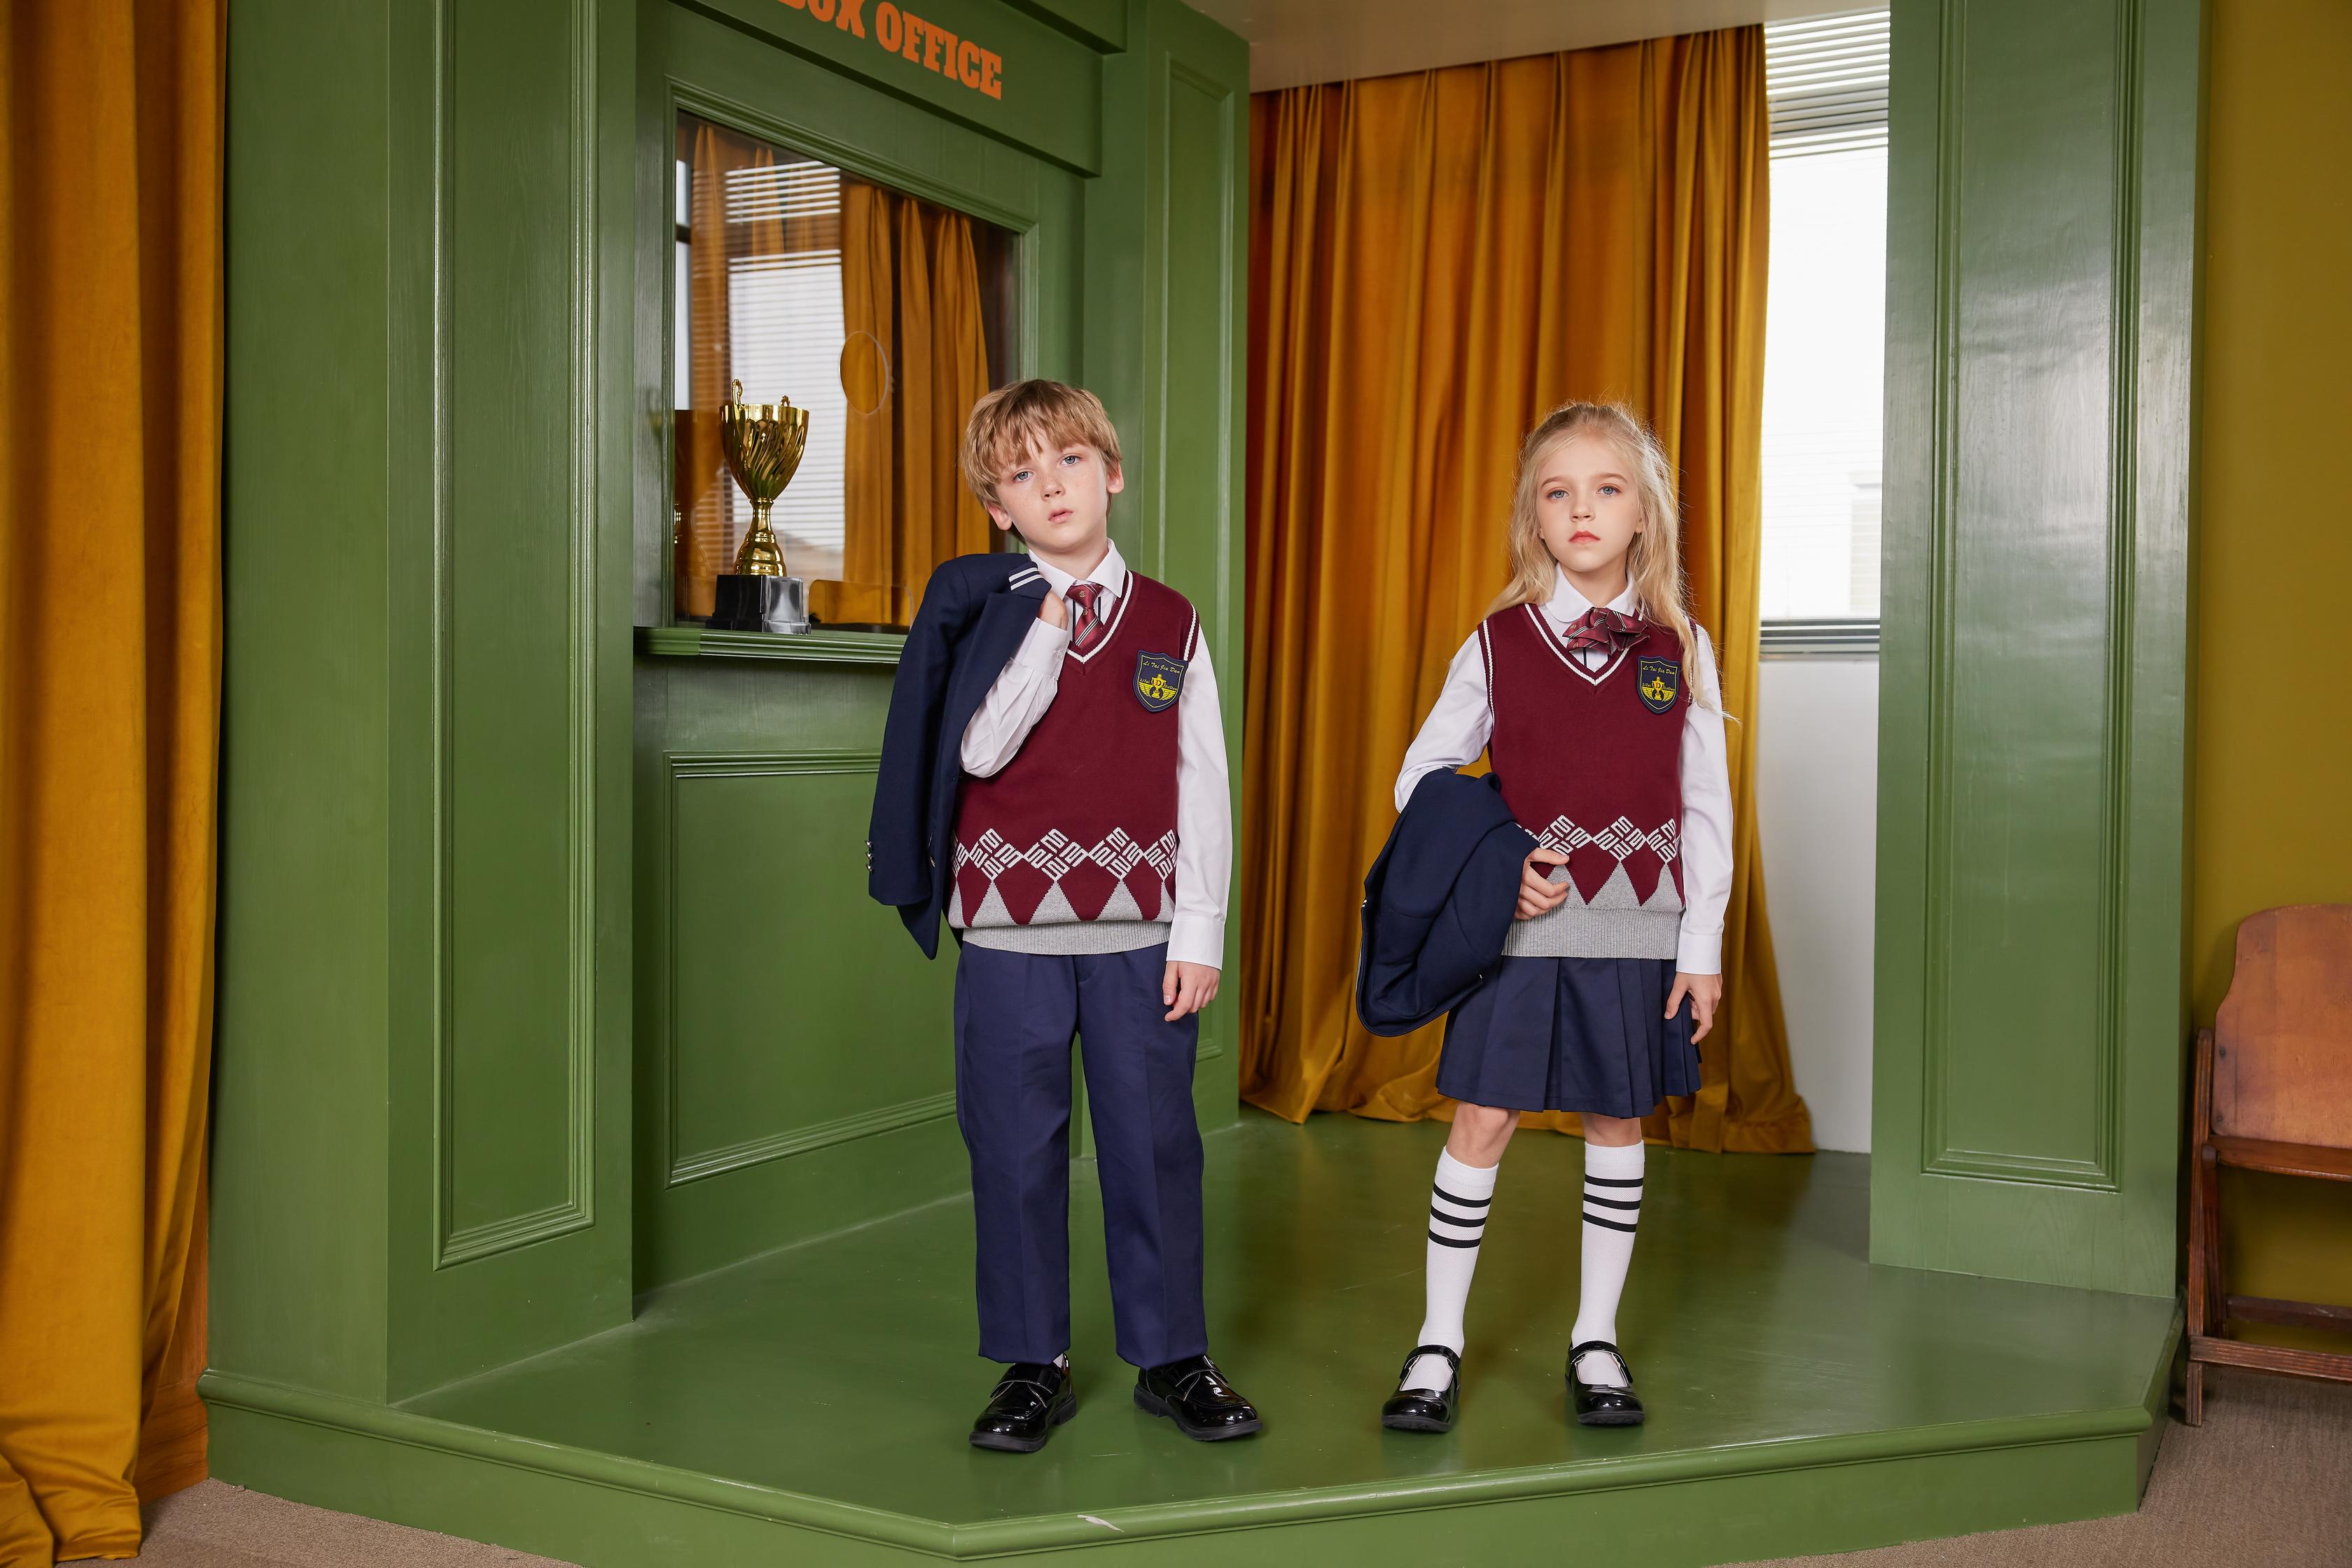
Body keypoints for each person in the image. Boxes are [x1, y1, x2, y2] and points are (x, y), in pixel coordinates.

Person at [868, 379, 1260, 1454]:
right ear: (997, 507)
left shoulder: (1172, 621)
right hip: (1008, 935)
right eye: (1021, 473)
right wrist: (1043, 633)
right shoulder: (985, 612)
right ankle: (1031, 1362)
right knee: (1014, 1148)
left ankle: (1172, 1356)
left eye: (1070, 460)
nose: (1051, 485)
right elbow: (978, 750)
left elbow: (1203, 784)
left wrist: (1199, 931)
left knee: (1154, 1145)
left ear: (1112, 474)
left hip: (1141, 934)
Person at [1377, 401, 1734, 1433]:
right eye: (1558, 491)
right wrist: (1500, 867)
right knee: (1483, 1119)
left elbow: (1706, 808)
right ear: (1533, 516)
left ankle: (1596, 1340)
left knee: (1615, 1120)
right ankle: (1437, 1343)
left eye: (1607, 489)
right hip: (1522, 936)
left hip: (1639, 931)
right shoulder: (1497, 644)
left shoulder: (1681, 647)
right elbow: (1420, 781)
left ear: (1643, 513)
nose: (1583, 509)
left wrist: (1701, 950)